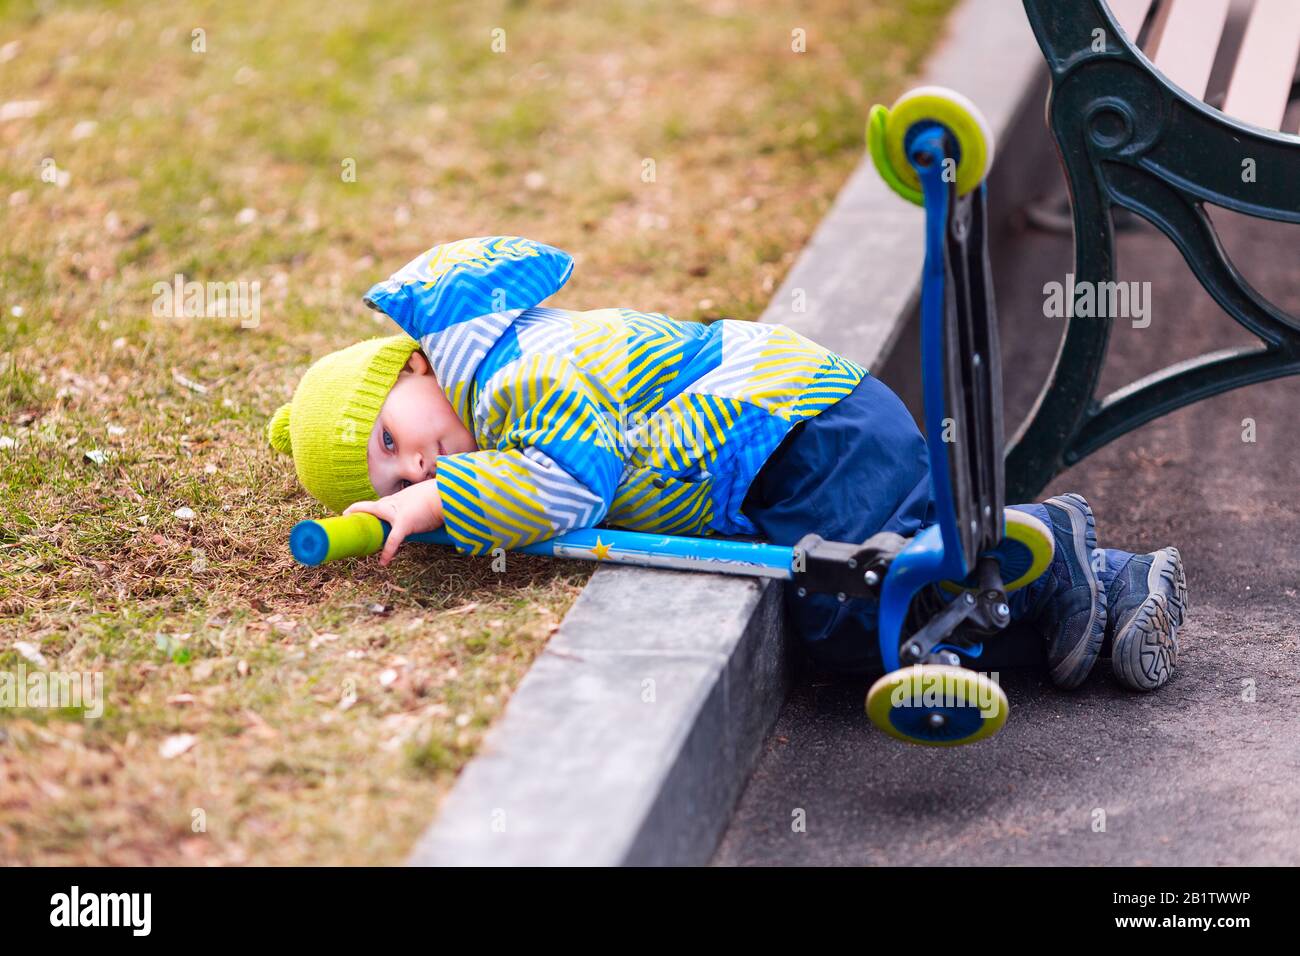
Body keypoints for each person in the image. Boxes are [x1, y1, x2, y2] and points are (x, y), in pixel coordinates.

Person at [267, 237, 1187, 691]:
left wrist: (436, 509)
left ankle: (1058, 558)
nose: (415, 466)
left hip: (795, 435)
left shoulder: (515, 376)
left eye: (395, 440)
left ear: (418, 368)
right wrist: (436, 502)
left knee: (852, 609)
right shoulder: (493, 393)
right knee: (868, 602)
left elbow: (570, 480)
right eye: (394, 482)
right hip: (797, 438)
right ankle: (1102, 587)